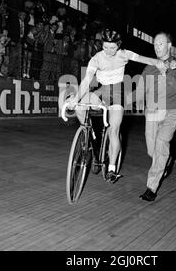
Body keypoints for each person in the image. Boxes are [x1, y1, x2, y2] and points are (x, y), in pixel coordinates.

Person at [64, 28, 166, 183]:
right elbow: (86, 81)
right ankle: (88, 136)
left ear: (118, 45)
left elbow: (146, 60)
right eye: (105, 47)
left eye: (112, 47)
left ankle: (111, 168)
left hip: (118, 93)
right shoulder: (96, 59)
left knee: (114, 130)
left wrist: (161, 63)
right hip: (101, 91)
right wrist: (76, 98)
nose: (109, 51)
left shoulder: (124, 54)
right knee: (78, 104)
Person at [130, 32, 176, 201]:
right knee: (152, 151)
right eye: (155, 45)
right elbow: (139, 92)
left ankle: (151, 188)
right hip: (153, 112)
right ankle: (165, 160)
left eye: (160, 44)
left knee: (161, 143)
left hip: (171, 112)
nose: (157, 48)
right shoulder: (149, 67)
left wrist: (165, 73)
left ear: (169, 45)